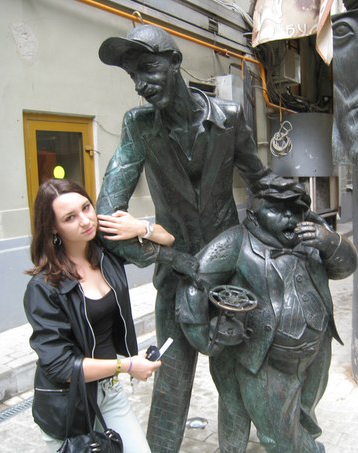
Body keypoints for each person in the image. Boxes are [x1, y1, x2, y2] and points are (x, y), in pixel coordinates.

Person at [97, 24, 273, 453]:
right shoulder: (139, 126)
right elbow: (106, 217)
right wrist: (166, 254)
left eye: (148, 68)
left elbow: (260, 180)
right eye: (133, 75)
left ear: (175, 62)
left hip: (231, 275)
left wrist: (291, 212)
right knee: (171, 382)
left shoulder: (228, 117)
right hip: (175, 279)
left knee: (233, 379)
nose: (141, 84)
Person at [176, 177, 358, 453]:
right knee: (279, 437)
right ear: (254, 213)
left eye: (295, 209)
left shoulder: (312, 236)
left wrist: (331, 242)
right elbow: (194, 282)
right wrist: (204, 337)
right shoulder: (237, 242)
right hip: (264, 359)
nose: (289, 217)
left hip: (315, 353)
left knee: (303, 414)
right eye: (276, 209)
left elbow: (345, 268)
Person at [23, 178, 173, 453]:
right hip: (69, 406)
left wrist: (140, 227)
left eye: (86, 207)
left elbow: (169, 240)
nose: (85, 220)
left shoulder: (106, 254)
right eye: (70, 217)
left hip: (109, 390)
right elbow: (62, 367)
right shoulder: (44, 288)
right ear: (53, 228)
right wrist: (128, 365)